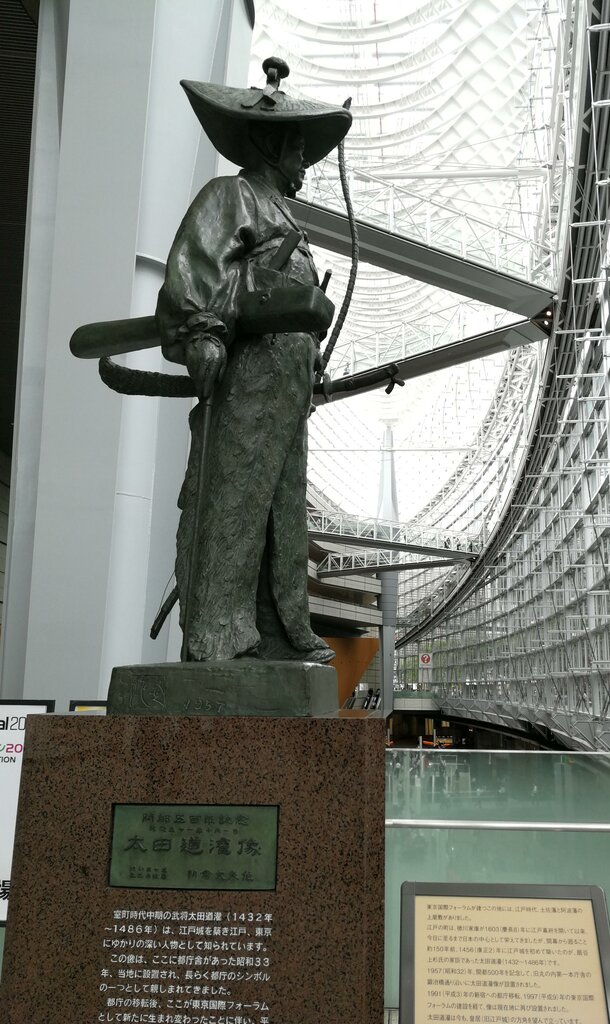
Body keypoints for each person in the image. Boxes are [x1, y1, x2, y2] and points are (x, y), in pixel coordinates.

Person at [155, 60, 352, 663]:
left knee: (283, 504)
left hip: (285, 385)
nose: (303, 162)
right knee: (235, 497)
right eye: (296, 147)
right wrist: (204, 333)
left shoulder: (283, 214)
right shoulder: (232, 196)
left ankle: (278, 626)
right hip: (249, 380)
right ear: (269, 143)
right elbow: (197, 263)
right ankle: (219, 632)